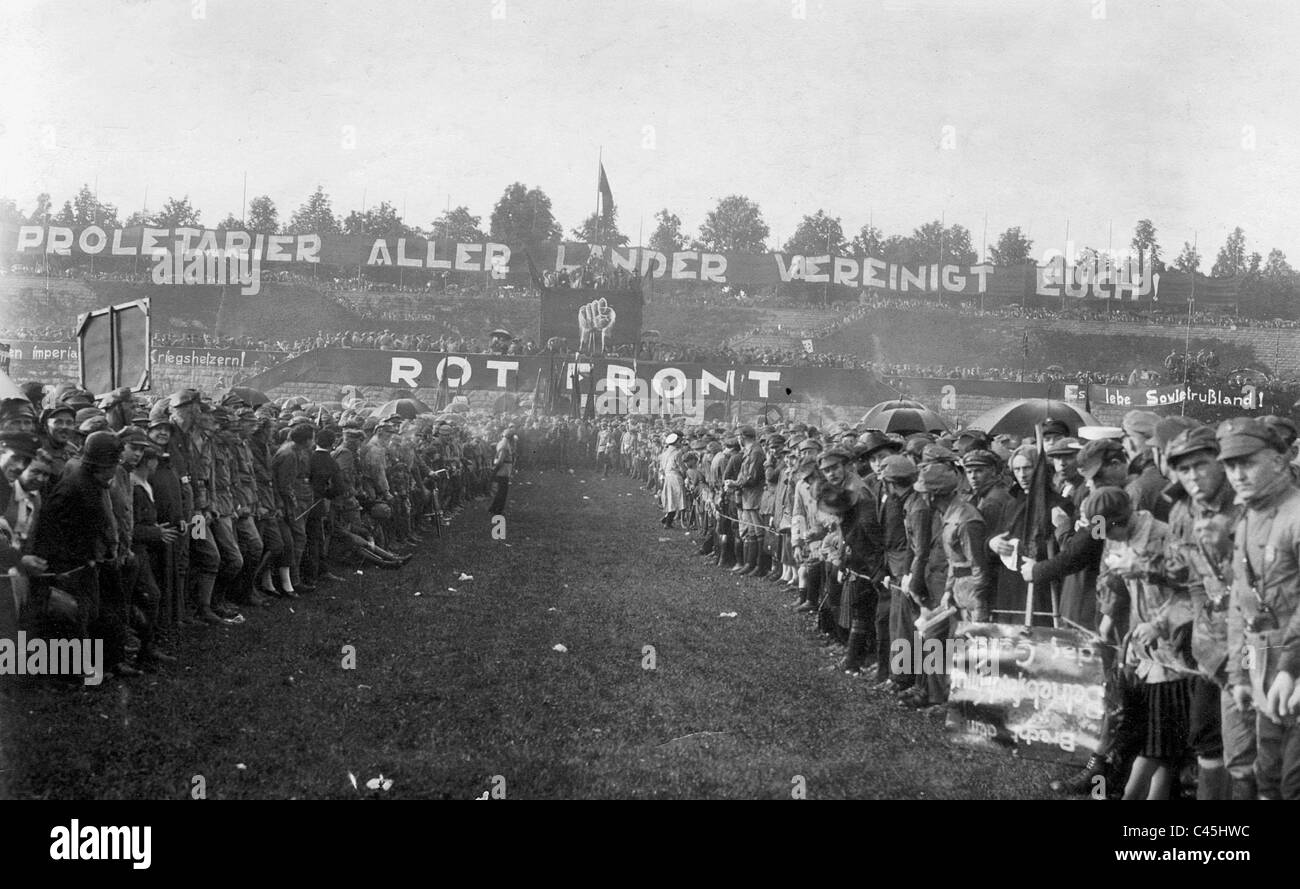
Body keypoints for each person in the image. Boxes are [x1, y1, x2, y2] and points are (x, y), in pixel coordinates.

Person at [1219, 417, 1300, 799]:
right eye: (1231, 465)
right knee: (1267, 778)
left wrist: (1291, 669)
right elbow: (1241, 603)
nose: (1237, 474)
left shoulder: (1295, 516)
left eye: (1247, 462)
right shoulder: (1248, 518)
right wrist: (1238, 674)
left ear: (1280, 462)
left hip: (1294, 669)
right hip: (1264, 666)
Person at [489, 424, 514, 517]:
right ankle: (498, 510)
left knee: (501, 491)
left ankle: (494, 508)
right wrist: (495, 470)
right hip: (503, 470)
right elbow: (500, 460)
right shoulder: (504, 444)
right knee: (502, 491)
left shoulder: (504, 443)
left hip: (504, 470)